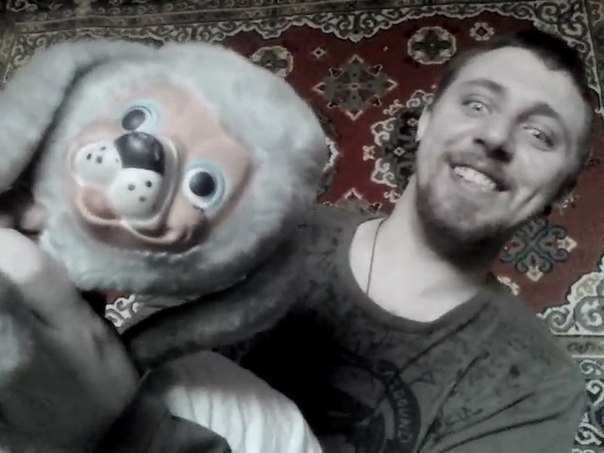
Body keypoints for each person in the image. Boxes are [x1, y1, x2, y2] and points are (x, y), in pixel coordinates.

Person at [0, 27, 592, 452]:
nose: (496, 137)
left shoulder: (536, 386)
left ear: (559, 190)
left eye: (541, 135)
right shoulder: (263, 234)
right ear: (427, 121)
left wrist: (121, 431)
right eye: (477, 103)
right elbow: (127, 345)